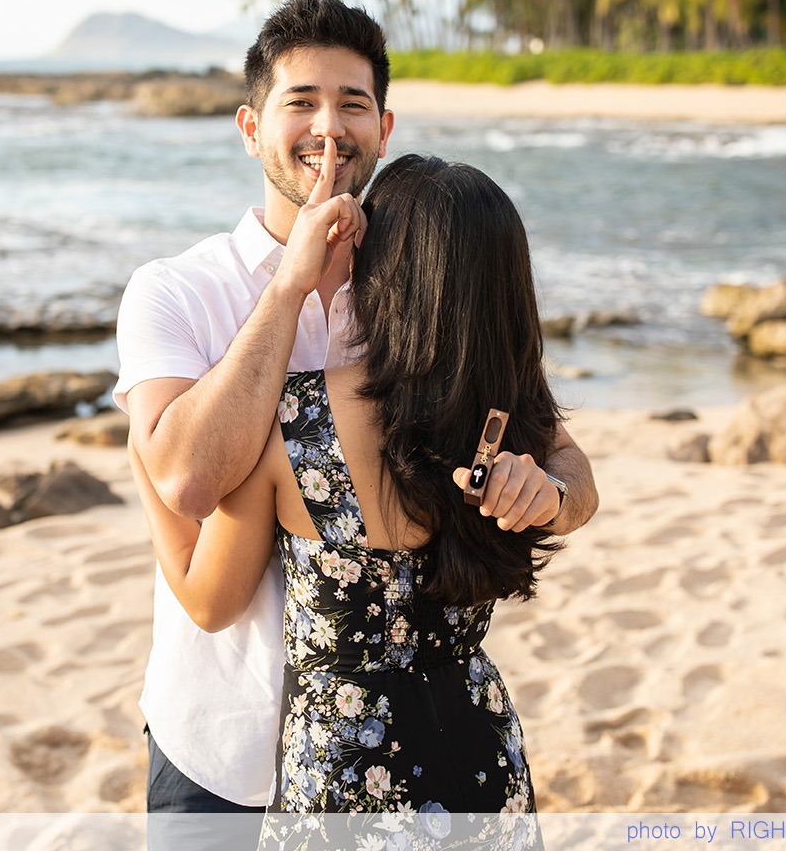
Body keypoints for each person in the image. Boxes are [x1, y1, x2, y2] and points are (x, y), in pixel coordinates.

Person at [114, 0, 598, 830]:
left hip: (372, 753)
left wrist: (549, 492)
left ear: (385, 123)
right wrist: (291, 280)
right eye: (299, 102)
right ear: (249, 126)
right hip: (219, 740)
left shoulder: (420, 290)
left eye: (353, 104)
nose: (328, 128)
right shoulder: (176, 291)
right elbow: (190, 479)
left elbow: (564, 461)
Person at [149, 153, 573, 848]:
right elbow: (573, 485)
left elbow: (207, 600)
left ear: (385, 271)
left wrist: (146, 461)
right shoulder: (512, 423)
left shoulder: (299, 422)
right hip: (479, 751)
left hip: (343, 775)